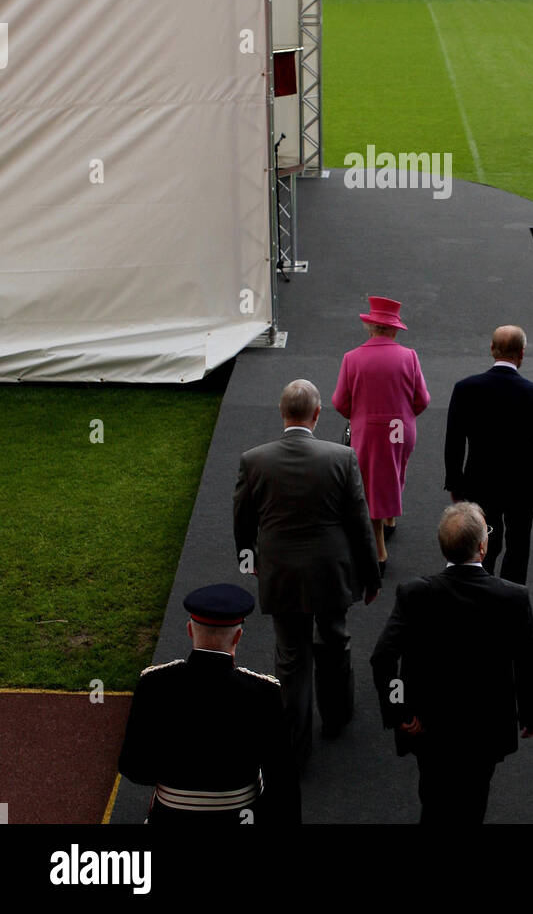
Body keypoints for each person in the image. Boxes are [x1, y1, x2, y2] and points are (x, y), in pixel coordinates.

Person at [233, 378, 381, 768]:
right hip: (331, 573)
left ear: (282, 413)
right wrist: (370, 577)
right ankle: (336, 718)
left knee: (291, 654)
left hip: (280, 574)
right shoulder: (341, 458)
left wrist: (249, 562)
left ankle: (295, 743)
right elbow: (359, 524)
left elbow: (242, 522)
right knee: (334, 641)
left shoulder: (254, 460)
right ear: (318, 414)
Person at [370, 502, 533, 825]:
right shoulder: (513, 597)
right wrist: (531, 715)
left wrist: (400, 712)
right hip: (485, 729)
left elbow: (382, 657)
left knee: (433, 799)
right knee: (474, 801)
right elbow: (528, 663)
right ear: (482, 547)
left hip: (429, 725)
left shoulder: (415, 594)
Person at [118, 583, 300, 824]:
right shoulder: (263, 693)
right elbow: (282, 781)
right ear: (238, 636)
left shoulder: (154, 684)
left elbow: (134, 767)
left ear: (190, 631)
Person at [443, 325, 533, 584]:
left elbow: (454, 440)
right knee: (518, 548)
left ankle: (482, 593)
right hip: (523, 487)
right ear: (522, 353)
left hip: (480, 483)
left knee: (485, 542)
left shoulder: (466, 389)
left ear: (492, 350)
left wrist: (455, 482)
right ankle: (511, 600)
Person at [332, 296, 430, 574]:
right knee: (395, 472)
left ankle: (379, 552)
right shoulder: (410, 356)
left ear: (371, 326)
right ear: (395, 329)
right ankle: (389, 520)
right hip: (401, 430)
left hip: (370, 433)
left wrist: (360, 415)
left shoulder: (352, 359)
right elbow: (422, 399)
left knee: (371, 486)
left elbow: (340, 402)